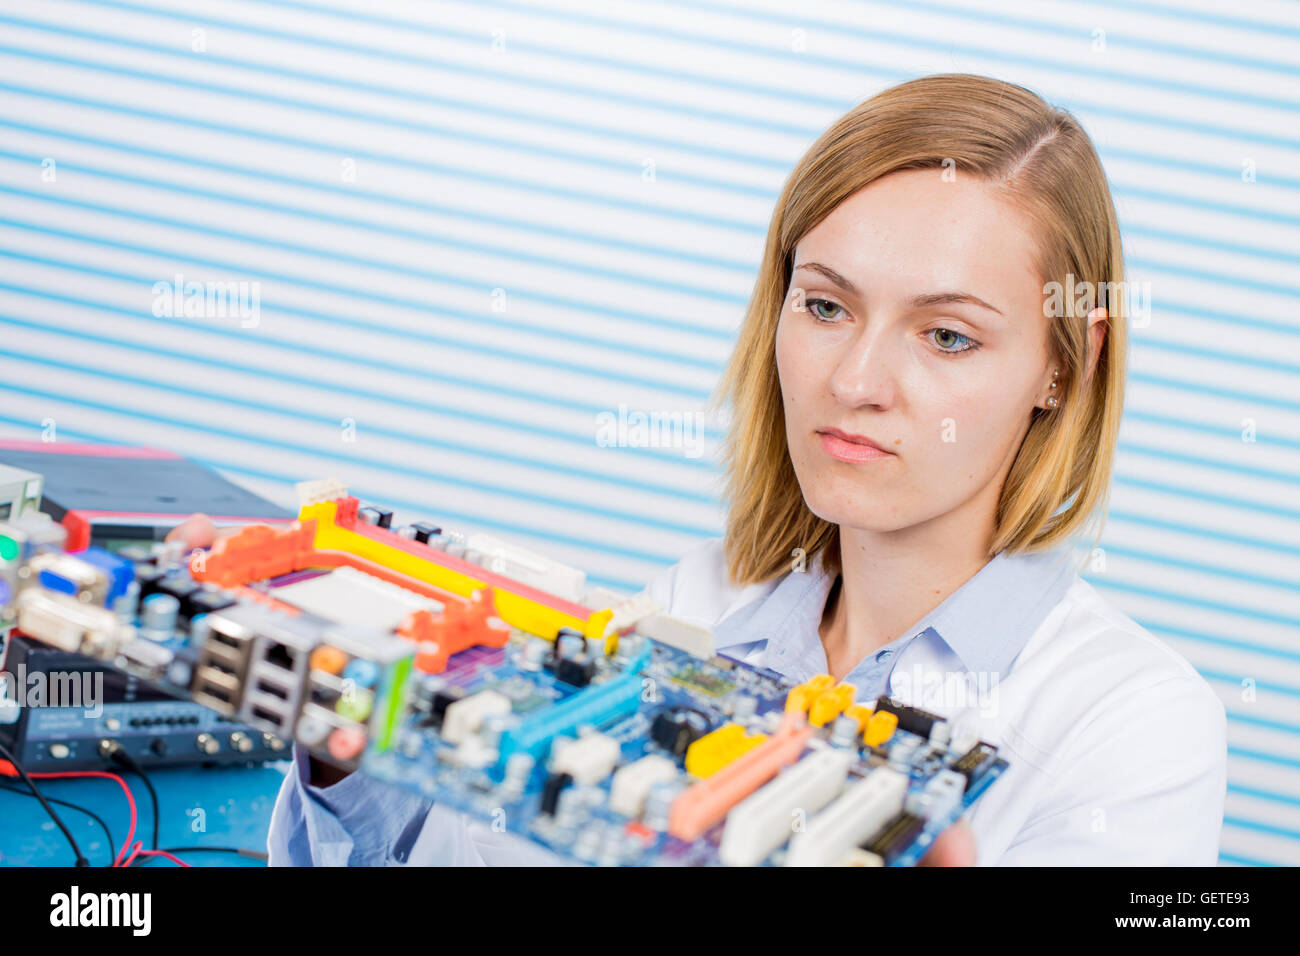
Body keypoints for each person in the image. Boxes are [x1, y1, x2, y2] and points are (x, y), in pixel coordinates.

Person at [168, 73, 1226, 866]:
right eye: (824, 306)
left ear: (1062, 362)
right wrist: (361, 749)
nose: (854, 379)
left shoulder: (1132, 725)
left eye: (946, 336)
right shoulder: (692, 604)